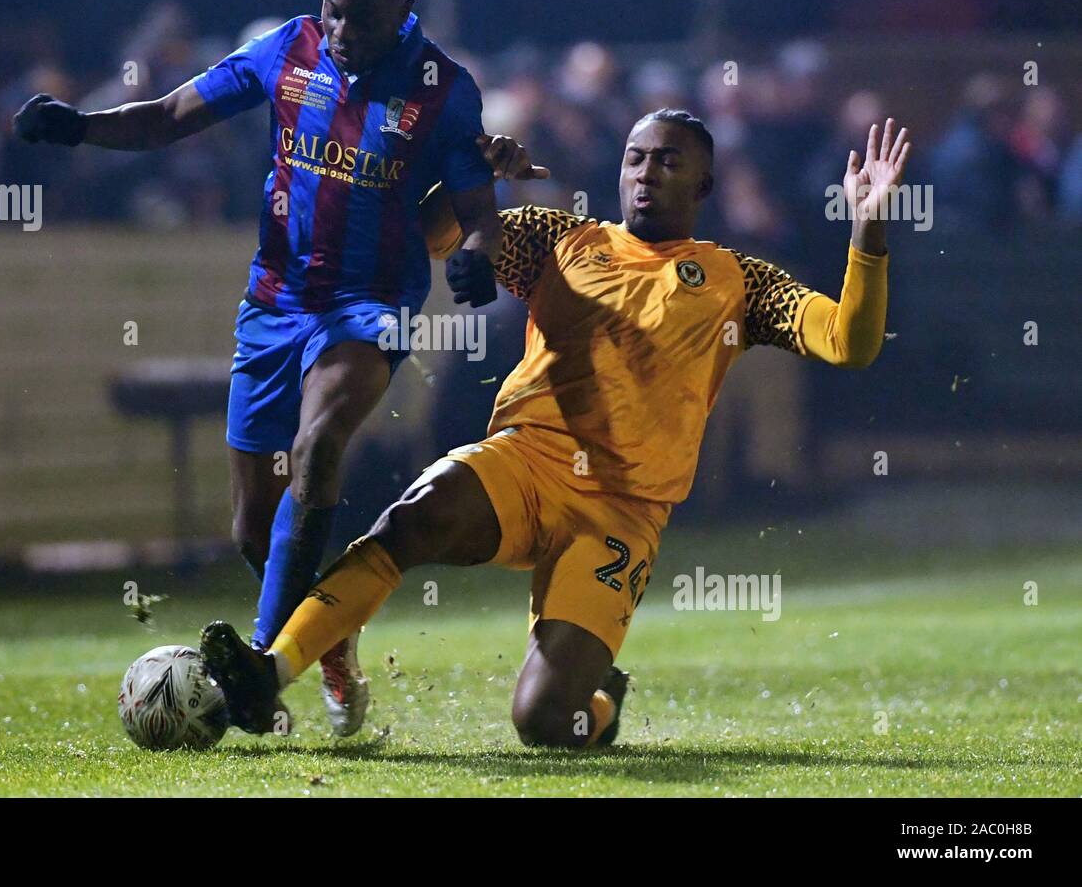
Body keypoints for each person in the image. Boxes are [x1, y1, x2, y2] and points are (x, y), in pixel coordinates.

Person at [200, 109, 909, 747]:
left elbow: (851, 342)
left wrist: (868, 230)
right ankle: (271, 672)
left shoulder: (736, 280)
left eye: (668, 160)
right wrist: (468, 177)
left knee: (544, 723)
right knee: (410, 520)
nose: (646, 172)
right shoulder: (560, 240)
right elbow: (431, 236)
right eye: (636, 157)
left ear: (704, 183)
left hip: (620, 513)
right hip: (526, 461)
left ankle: (603, 702)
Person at [13, 0, 527, 735]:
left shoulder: (442, 88)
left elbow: (479, 210)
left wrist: (476, 258)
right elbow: (168, 117)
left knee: (320, 447)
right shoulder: (291, 47)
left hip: (372, 303)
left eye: (361, 16)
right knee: (252, 526)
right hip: (275, 301)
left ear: (403, 12)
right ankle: (331, 640)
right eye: (334, 9)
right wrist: (79, 127)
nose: (342, 28)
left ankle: (259, 665)